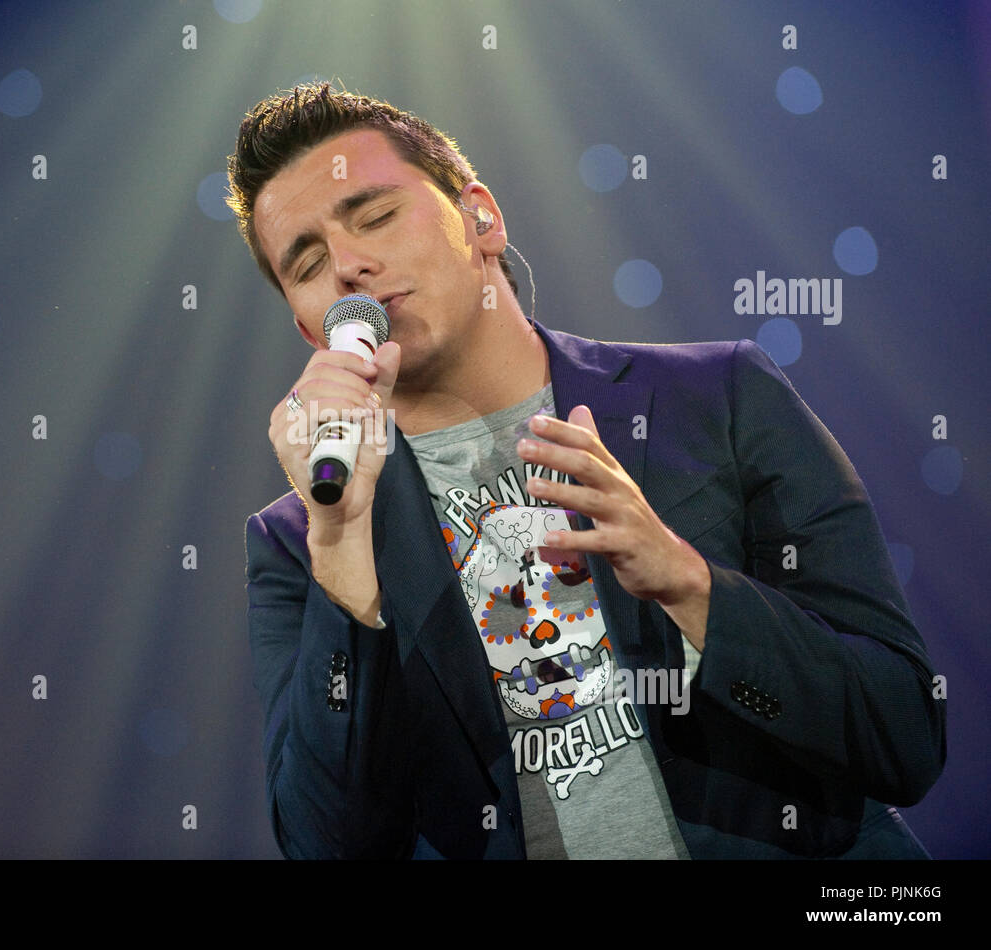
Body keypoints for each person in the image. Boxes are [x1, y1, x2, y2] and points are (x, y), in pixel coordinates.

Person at [228, 82, 945, 859]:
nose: (349, 266)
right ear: (309, 325)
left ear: (481, 217)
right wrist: (340, 541)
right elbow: (326, 846)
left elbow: (903, 731)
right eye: (307, 261)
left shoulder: (718, 397)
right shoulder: (302, 540)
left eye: (375, 216)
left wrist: (687, 582)